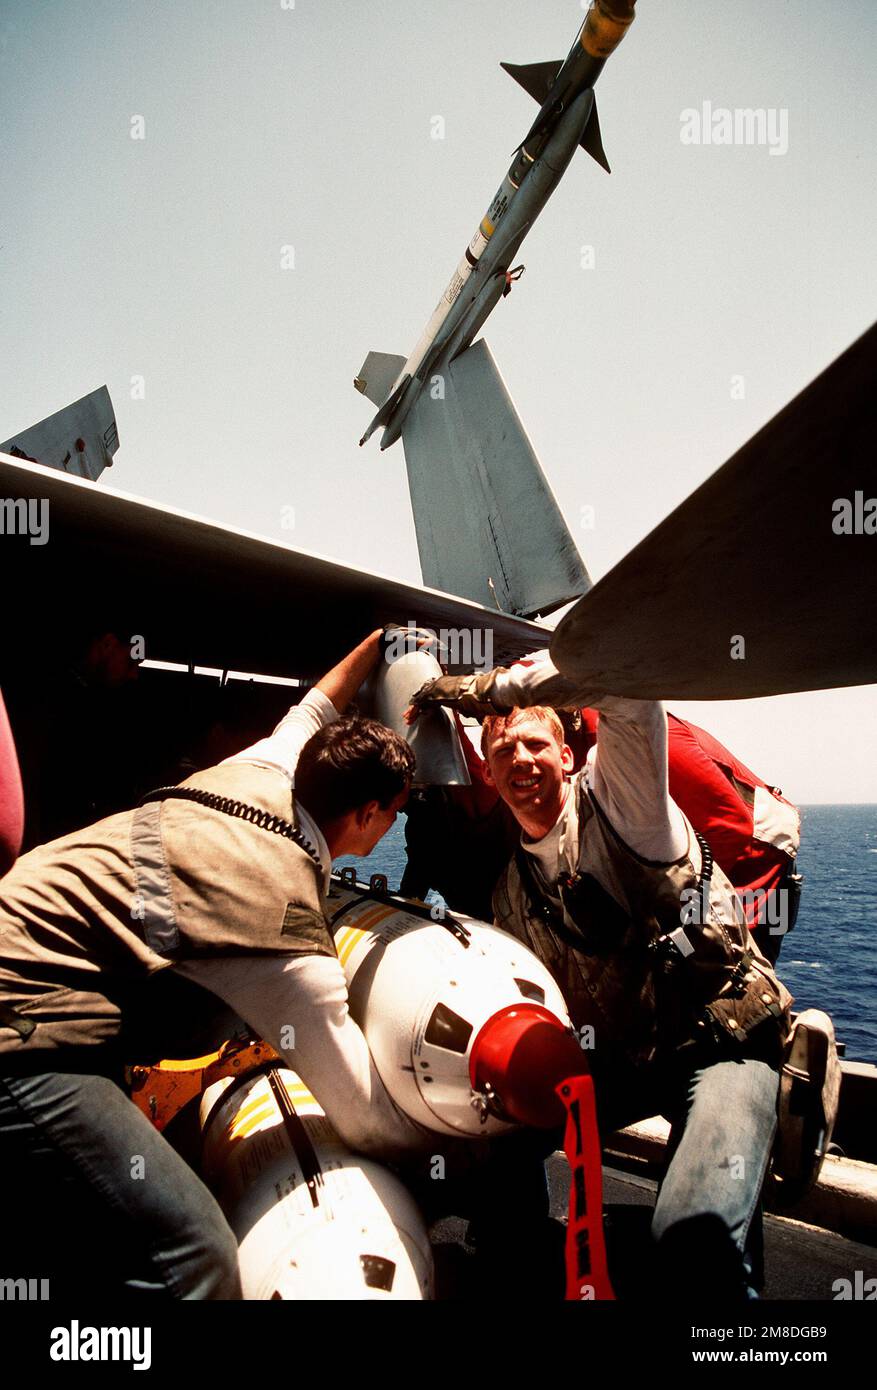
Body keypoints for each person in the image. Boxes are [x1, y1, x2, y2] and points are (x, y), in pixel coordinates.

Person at [0, 630, 431, 1299]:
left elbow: (315, 707)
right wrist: (456, 1134)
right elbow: (366, 1115)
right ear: (369, 813)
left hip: (23, 952)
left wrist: (378, 643)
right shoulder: (284, 937)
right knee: (194, 1252)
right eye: (392, 816)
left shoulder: (258, 770)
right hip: (23, 1026)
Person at [408, 647, 793, 1299]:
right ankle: (521, 1268)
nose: (520, 761)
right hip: (625, 1059)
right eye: (502, 753)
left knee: (693, 1238)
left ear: (567, 756)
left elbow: (630, 696)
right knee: (493, 1148)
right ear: (491, 776)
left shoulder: (624, 807)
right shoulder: (508, 889)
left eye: (534, 744)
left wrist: (490, 689)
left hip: (720, 1042)